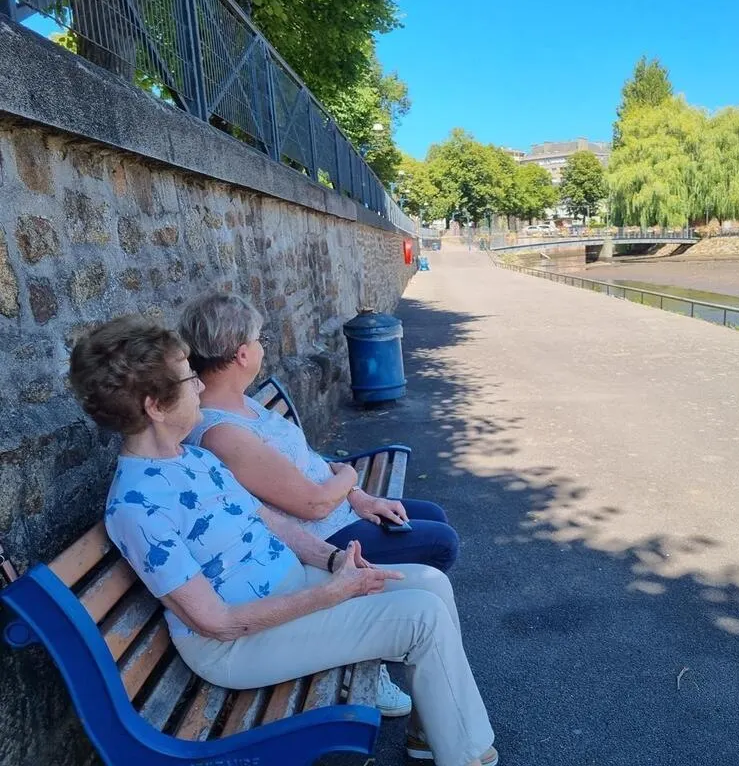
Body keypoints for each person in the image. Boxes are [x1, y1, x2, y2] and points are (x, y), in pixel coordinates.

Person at [68, 316, 497, 766]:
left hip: (290, 586)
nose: (199, 387)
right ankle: (466, 755)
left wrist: (334, 560)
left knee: (430, 583)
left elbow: (269, 520)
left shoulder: (193, 458)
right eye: (188, 377)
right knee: (420, 616)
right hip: (236, 646)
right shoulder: (136, 506)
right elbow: (215, 623)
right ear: (155, 405)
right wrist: (329, 595)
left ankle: (433, 734)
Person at [177, 293, 461, 715]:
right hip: (319, 537)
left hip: (338, 511)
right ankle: (379, 644)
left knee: (431, 518)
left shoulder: (243, 400)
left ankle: (396, 631)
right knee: (440, 542)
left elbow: (309, 462)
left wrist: (360, 496)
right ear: (240, 353)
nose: (263, 346)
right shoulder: (222, 432)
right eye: (260, 338)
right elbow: (312, 505)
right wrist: (349, 479)